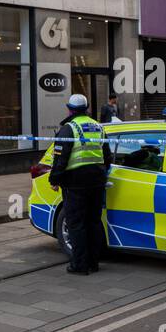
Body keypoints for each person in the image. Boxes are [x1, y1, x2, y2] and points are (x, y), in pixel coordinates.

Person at [48, 94, 113, 275]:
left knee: (76, 224)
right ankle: (93, 263)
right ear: (87, 108)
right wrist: (100, 174)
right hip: (97, 182)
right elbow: (107, 157)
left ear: (69, 109)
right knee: (93, 222)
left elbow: (60, 159)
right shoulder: (98, 127)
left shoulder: (69, 129)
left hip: (76, 183)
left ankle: (80, 265)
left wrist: (54, 180)